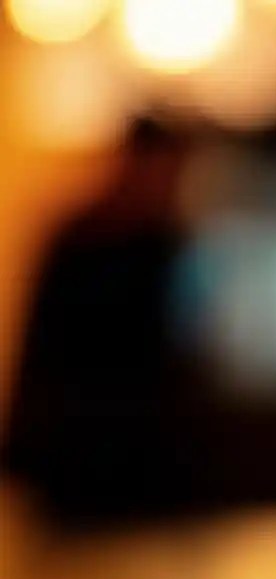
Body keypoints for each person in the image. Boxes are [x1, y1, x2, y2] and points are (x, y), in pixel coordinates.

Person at [1, 119, 209, 529]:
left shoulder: (164, 243)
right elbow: (45, 357)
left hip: (149, 458)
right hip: (81, 457)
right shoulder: (84, 240)